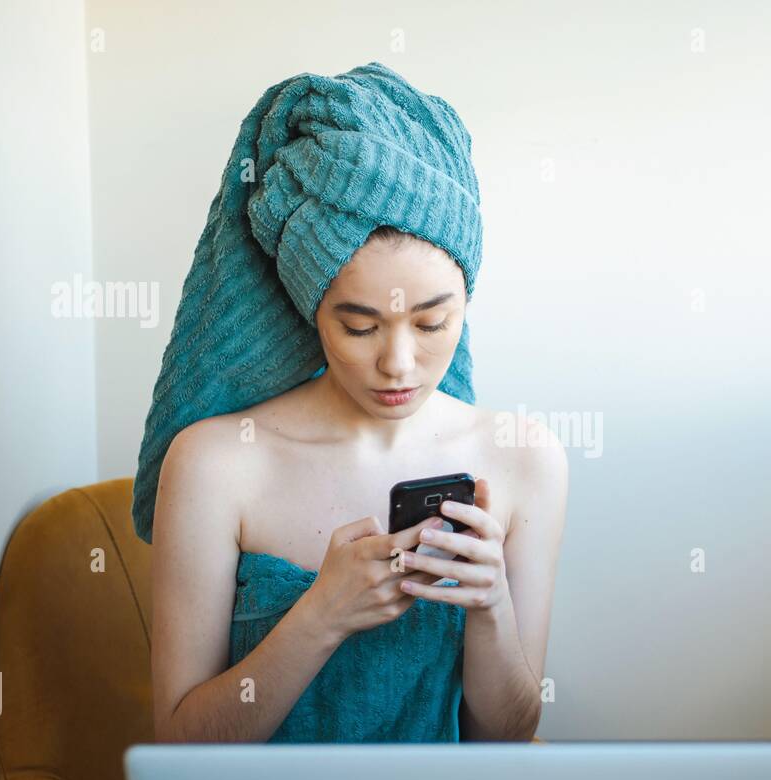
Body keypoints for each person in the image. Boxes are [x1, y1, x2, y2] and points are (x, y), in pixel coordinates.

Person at [130, 63, 567, 744]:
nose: (397, 363)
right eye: (358, 326)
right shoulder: (214, 465)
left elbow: (506, 740)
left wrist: (490, 609)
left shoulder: (523, 459)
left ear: (466, 305)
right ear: (312, 310)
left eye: (431, 323)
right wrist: (319, 618)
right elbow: (181, 746)